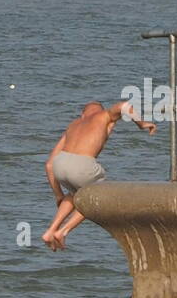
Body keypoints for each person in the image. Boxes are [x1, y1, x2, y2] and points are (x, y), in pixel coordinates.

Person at [43, 102, 157, 250]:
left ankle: (50, 230)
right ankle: (62, 232)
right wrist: (141, 124)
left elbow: (49, 165)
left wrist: (58, 195)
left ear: (83, 115)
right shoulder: (104, 116)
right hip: (82, 165)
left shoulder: (73, 125)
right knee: (96, 196)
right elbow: (124, 106)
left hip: (60, 163)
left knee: (74, 194)